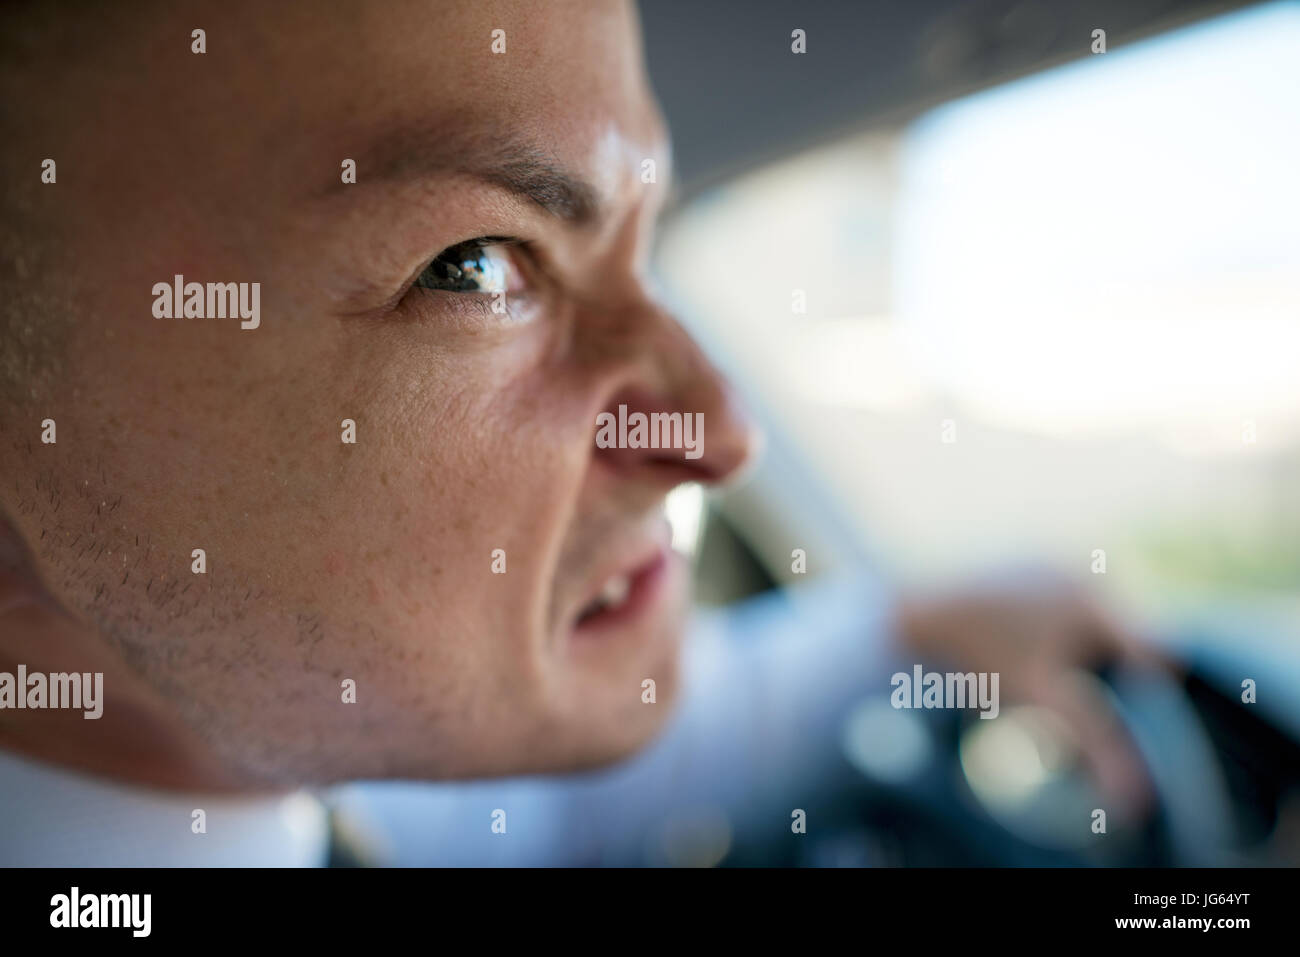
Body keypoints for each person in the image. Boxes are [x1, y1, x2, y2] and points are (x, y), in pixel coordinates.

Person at [0, 0, 1156, 866]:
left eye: (640, 240)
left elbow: (612, 777)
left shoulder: (305, 781)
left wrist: (904, 626)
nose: (718, 432)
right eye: (474, 268)